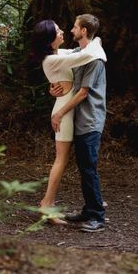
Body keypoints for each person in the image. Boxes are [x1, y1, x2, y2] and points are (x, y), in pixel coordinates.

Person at [29, 19, 106, 219]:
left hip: (68, 111)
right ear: (49, 39)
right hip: (63, 113)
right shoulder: (51, 60)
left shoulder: (59, 54)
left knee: (64, 160)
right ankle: (47, 204)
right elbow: (85, 55)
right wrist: (97, 40)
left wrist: (94, 40)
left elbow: (77, 52)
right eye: (57, 31)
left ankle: (50, 203)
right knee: (61, 160)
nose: (63, 31)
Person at [49, 14, 107, 233]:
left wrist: (59, 113)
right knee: (84, 167)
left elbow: (83, 92)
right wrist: (54, 88)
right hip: (78, 119)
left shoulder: (94, 59)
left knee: (89, 168)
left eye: (75, 27)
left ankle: (97, 217)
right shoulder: (78, 54)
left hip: (90, 120)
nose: (71, 30)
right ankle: (88, 210)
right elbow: (60, 65)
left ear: (83, 31)